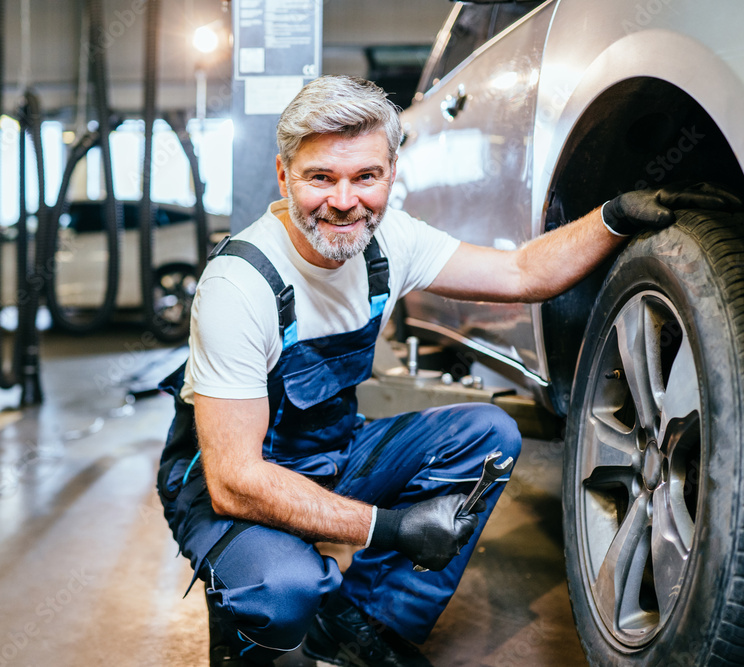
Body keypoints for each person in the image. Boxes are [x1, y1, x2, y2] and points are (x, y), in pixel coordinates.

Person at [156, 75, 741, 667]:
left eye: (366, 177)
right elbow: (234, 481)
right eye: (320, 178)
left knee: (487, 436)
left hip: (332, 452)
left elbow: (521, 274)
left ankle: (362, 625)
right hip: (226, 481)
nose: (343, 201)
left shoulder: (389, 243)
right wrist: (388, 528)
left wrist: (615, 216)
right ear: (284, 178)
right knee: (282, 590)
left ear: (391, 174)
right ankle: (248, 609)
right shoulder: (241, 284)